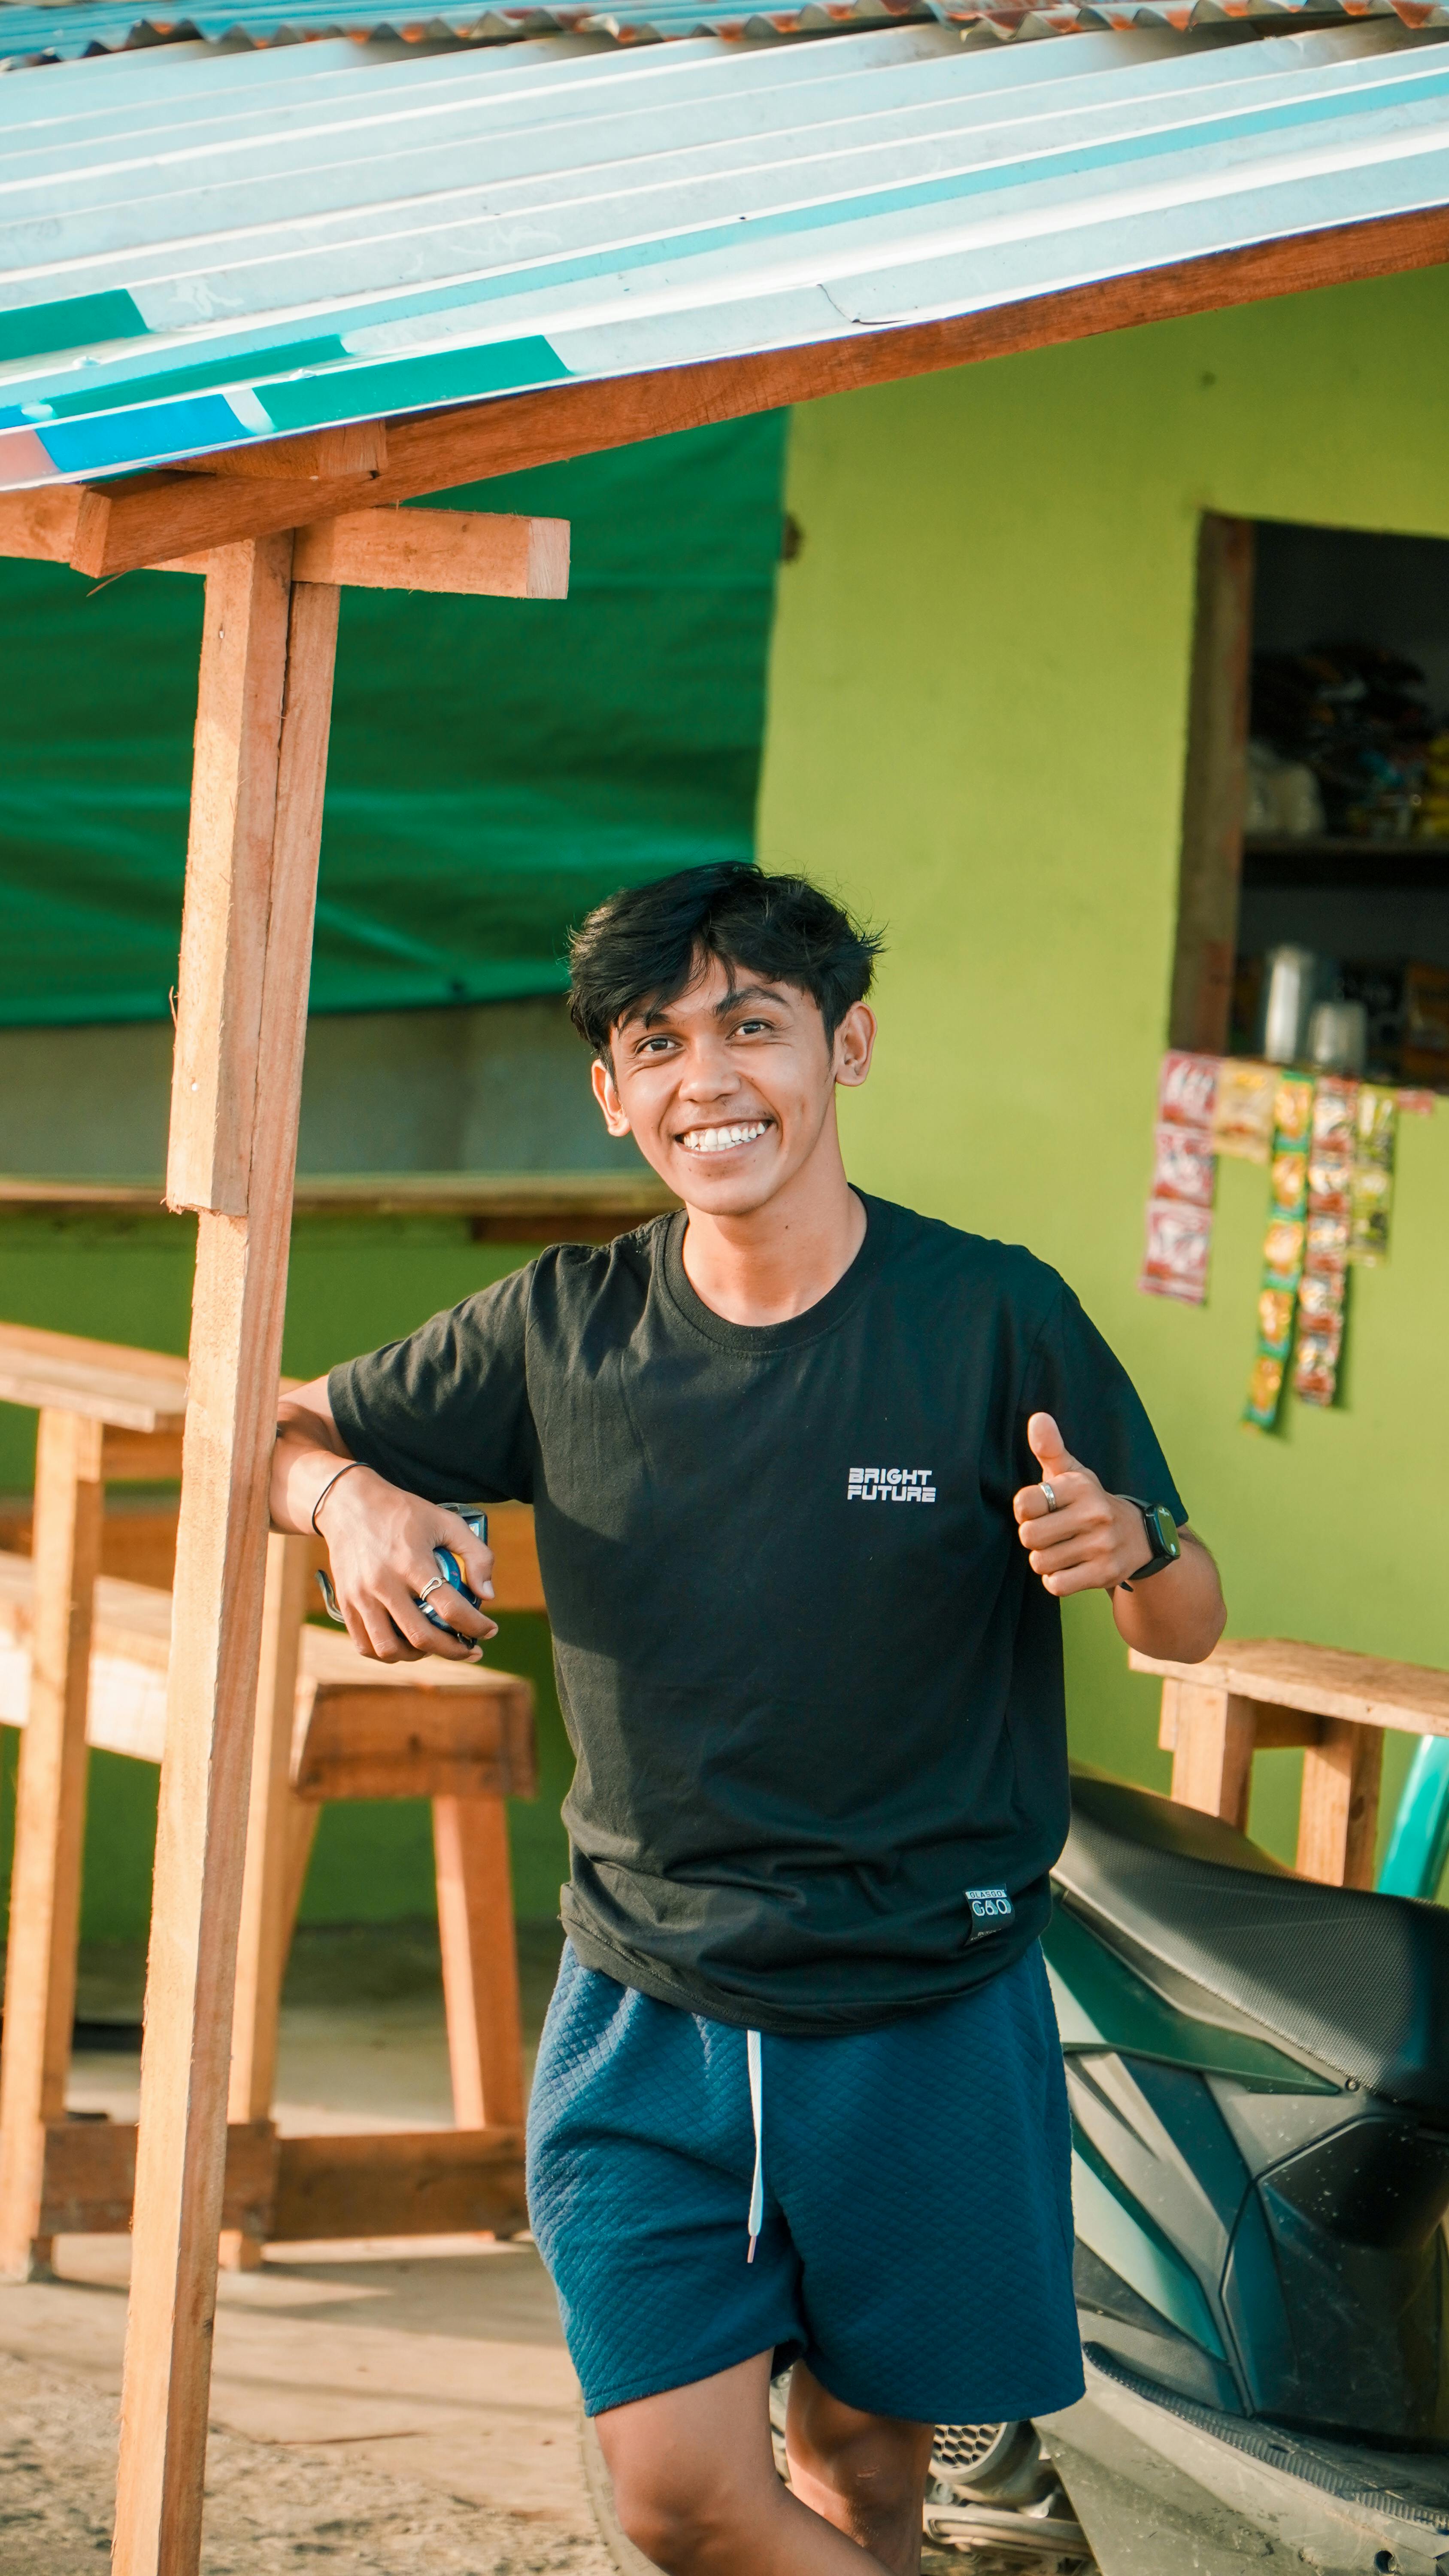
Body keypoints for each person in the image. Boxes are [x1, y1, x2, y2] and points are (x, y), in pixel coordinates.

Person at [271, 862, 1225, 2576]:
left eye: (751, 1026)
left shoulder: (989, 1315)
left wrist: (1129, 1552)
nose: (705, 1075)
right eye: (658, 1042)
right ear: (613, 1092)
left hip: (928, 2004)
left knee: (867, 2484)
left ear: (844, 1047)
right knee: (682, 2500)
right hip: (652, 2005)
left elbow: (1187, 1618)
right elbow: (278, 1430)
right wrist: (345, 1503)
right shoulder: (558, 1327)